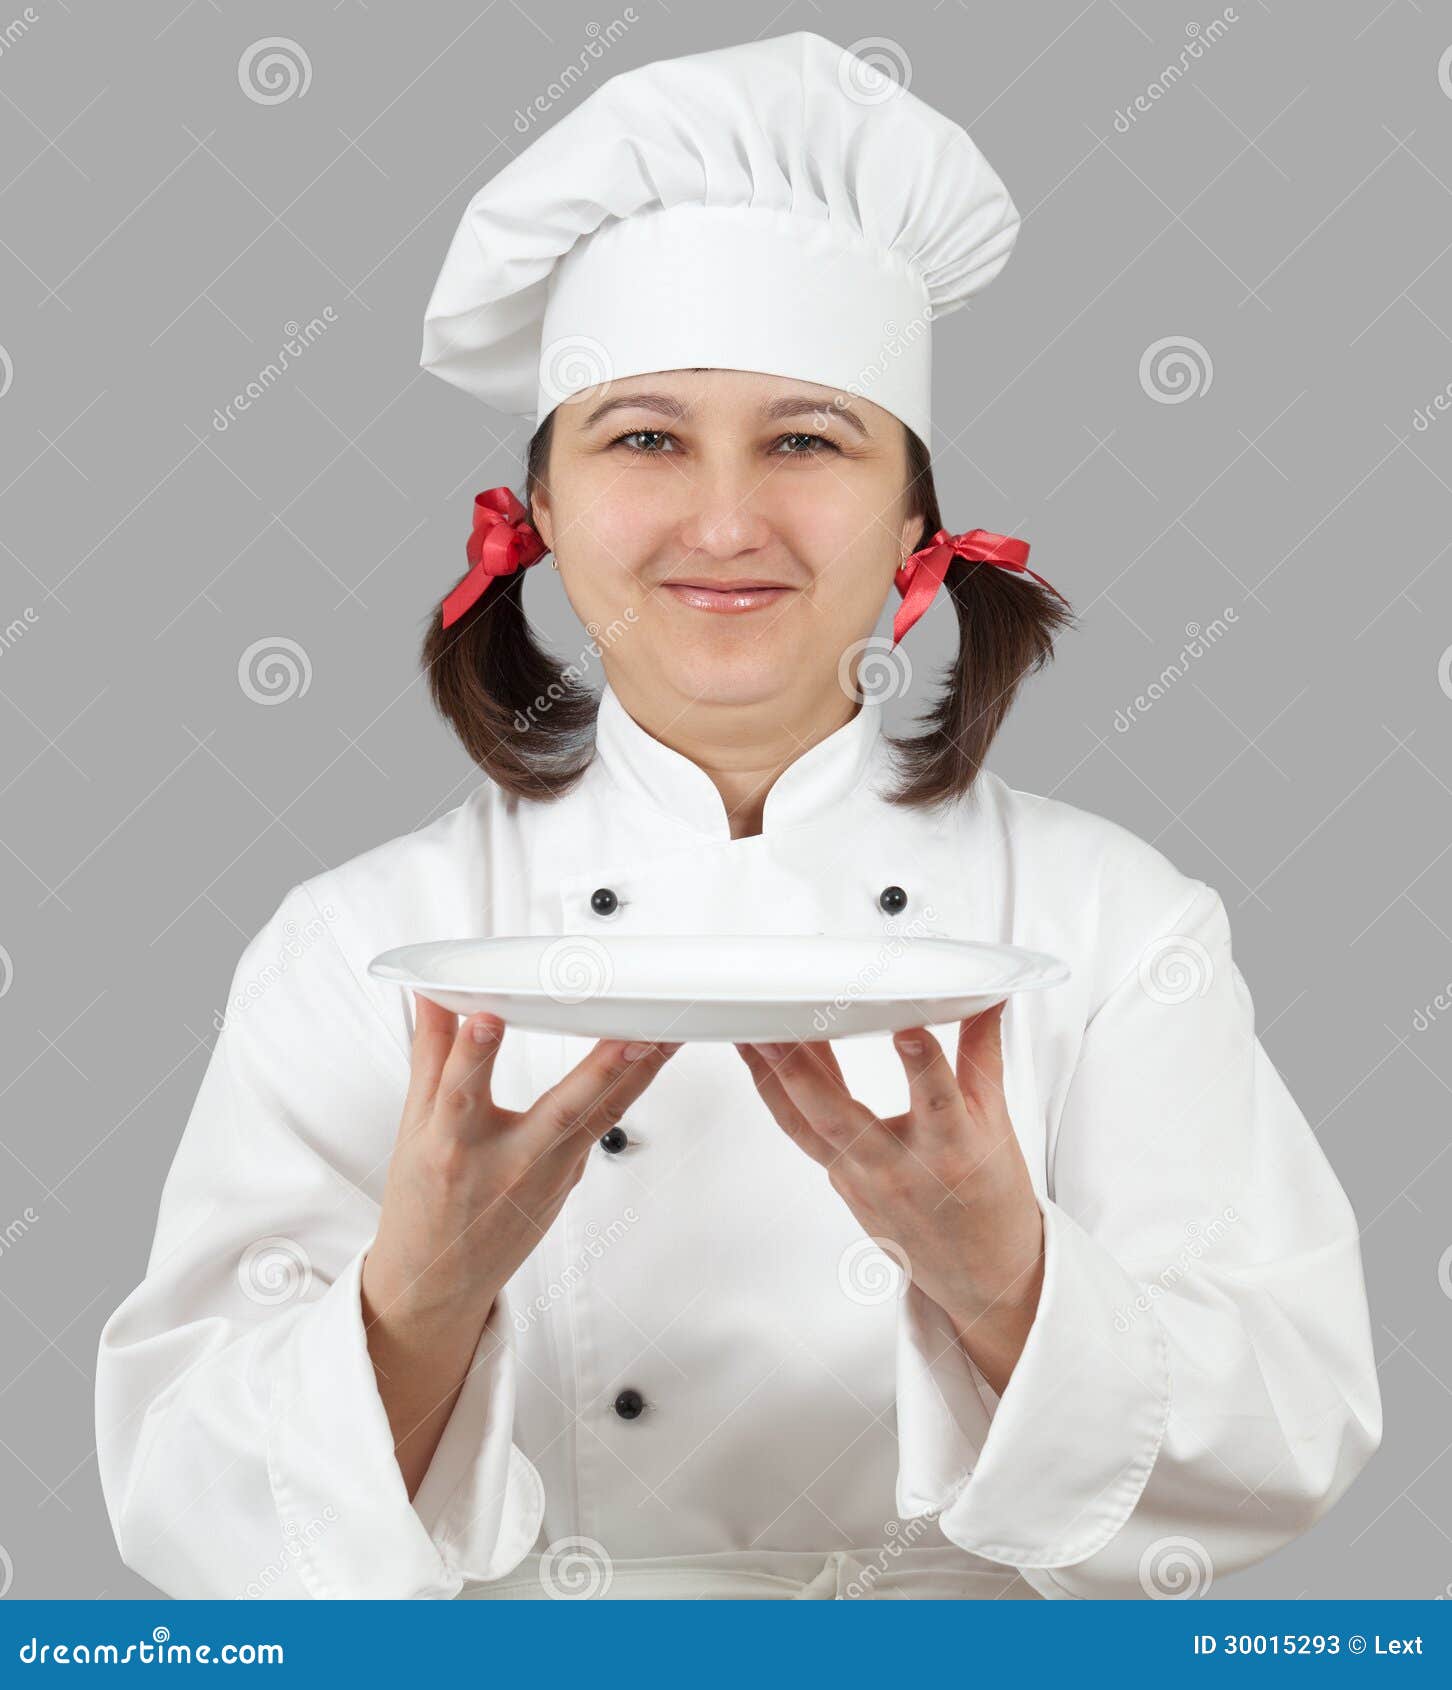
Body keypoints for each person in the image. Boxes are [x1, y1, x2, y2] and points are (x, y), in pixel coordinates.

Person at [94, 31, 1380, 1601]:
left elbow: (1294, 1425)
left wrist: (1010, 1281)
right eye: (643, 437)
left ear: (916, 518)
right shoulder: (361, 945)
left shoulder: (1116, 926)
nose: (724, 520)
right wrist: (415, 1302)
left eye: (806, 439)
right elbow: (180, 1495)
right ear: (542, 516)